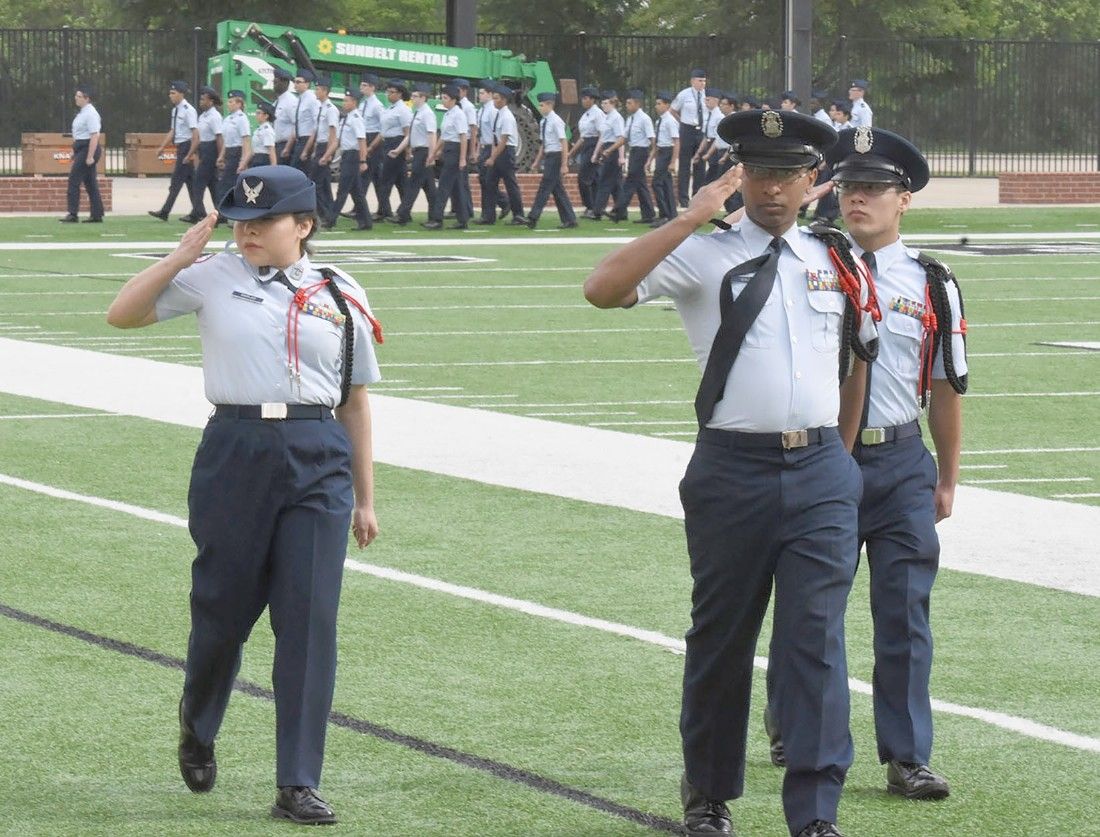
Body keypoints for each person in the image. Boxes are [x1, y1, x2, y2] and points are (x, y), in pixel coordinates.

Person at [583, 108, 880, 837]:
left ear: (813, 181)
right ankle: (708, 792)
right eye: (757, 172)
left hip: (819, 471)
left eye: (786, 174)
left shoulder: (836, 259)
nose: (770, 187)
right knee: (722, 636)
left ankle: (814, 810)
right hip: (731, 469)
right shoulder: (702, 253)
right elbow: (602, 288)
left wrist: (839, 458)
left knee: (815, 640)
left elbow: (855, 362)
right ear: (737, 176)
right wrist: (689, 218)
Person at [106, 164, 382, 827]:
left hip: (319, 459)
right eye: (241, 219)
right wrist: (179, 256)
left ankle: (298, 781)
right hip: (234, 451)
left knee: (309, 620)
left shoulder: (340, 292)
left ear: (304, 225)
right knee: (222, 613)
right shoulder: (212, 276)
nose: (248, 230)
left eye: (264, 220)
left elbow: (355, 401)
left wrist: (367, 498)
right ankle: (198, 723)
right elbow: (122, 314)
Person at [764, 127, 967, 805]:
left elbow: (944, 382)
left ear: (904, 199)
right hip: (826, 456)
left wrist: (946, 475)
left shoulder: (933, 281)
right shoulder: (811, 260)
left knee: (905, 611)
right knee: (811, 605)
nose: (858, 199)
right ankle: (796, 725)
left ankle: (908, 755)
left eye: (875, 188)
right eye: (850, 186)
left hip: (903, 458)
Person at [149, 81, 199, 222]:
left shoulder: (189, 110)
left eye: (173, 93)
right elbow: (173, 131)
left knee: (176, 182)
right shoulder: (175, 110)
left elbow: (195, 133)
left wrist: (190, 153)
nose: (170, 96)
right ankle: (198, 211)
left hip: (186, 146)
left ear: (181, 94)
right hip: (180, 147)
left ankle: (165, 211)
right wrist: (162, 147)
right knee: (191, 183)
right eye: (170, 93)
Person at [525, 91, 577, 230]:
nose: (540, 108)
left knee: (545, 187)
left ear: (550, 105)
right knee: (557, 190)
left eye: (542, 105)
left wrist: (564, 164)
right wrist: (536, 162)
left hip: (556, 156)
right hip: (549, 156)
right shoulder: (543, 122)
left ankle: (533, 216)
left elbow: (564, 142)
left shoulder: (556, 121)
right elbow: (544, 144)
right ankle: (570, 219)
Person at [477, 83, 526, 225]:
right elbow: (495, 138)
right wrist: (492, 155)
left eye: (496, 98)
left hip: (505, 153)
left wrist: (492, 157)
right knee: (489, 182)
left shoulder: (507, 117)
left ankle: (518, 215)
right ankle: (488, 216)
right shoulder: (499, 114)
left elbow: (504, 140)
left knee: (510, 184)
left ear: (504, 100)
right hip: (498, 151)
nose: (494, 101)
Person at [424, 84, 470, 230]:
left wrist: (463, 158)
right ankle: (463, 219)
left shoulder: (459, 114)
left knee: (444, 185)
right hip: (448, 149)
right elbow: (443, 137)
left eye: (445, 98)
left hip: (455, 150)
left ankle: (437, 219)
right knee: (456, 188)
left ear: (453, 100)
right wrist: (434, 152)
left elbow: (463, 137)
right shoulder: (448, 114)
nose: (443, 100)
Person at [327, 88, 372, 231]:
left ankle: (331, 219)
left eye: (346, 100)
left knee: (343, 190)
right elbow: (339, 140)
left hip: (353, 156)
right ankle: (366, 222)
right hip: (347, 155)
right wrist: (329, 154)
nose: (343, 103)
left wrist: (363, 160)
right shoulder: (346, 118)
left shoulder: (356, 118)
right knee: (357, 192)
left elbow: (361, 141)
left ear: (354, 102)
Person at [609, 89, 656, 225]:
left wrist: (650, 158)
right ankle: (649, 214)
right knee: (640, 185)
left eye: (629, 103)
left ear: (637, 103)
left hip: (641, 152)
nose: (627, 106)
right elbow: (624, 138)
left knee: (629, 182)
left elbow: (652, 139)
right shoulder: (630, 119)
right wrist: (610, 149)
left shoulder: (644, 119)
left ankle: (618, 211)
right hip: (634, 152)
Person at [395, 83, 438, 226]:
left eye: (415, 96)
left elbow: (432, 135)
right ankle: (435, 216)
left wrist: (431, 155)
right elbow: (411, 135)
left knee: (413, 184)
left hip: (424, 152)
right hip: (419, 151)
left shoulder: (427, 114)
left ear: (423, 97)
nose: (412, 98)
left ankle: (402, 214)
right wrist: (398, 149)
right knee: (430, 189)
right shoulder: (418, 112)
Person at [61, 83, 104, 223]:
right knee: (91, 183)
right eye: (76, 96)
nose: (76, 98)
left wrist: (90, 156)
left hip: (88, 149)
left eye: (79, 96)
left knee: (73, 180)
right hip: (82, 149)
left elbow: (94, 136)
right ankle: (97, 215)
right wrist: (76, 152)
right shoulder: (83, 112)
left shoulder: (91, 113)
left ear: (87, 98)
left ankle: (73, 213)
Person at [373, 79, 412, 222]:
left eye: (392, 92)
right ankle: (404, 213)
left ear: (400, 94)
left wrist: (405, 150)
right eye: (387, 91)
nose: (388, 95)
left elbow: (408, 133)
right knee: (401, 182)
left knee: (385, 180)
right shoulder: (390, 108)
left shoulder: (403, 110)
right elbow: (383, 131)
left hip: (397, 144)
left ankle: (384, 211)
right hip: (388, 143)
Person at [670, 68, 707, 207]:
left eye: (704, 81)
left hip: (701, 131)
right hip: (687, 129)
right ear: (692, 81)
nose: (702, 83)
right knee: (684, 165)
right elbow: (673, 110)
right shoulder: (684, 94)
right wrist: (682, 122)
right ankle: (683, 199)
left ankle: (697, 197)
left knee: (700, 165)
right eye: (700, 80)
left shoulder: (707, 95)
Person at [587, 90, 625, 221]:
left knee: (604, 181)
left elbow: (621, 138)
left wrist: (621, 157)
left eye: (606, 103)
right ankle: (621, 211)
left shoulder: (616, 117)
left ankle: (597, 211)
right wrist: (595, 153)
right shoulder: (607, 117)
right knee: (616, 184)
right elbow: (602, 138)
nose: (603, 105)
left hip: (613, 150)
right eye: (602, 103)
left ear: (613, 103)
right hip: (607, 149)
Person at [189, 86, 224, 223]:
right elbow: (199, 137)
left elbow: (219, 137)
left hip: (211, 150)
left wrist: (221, 156)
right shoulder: (203, 116)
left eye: (203, 99)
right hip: (204, 148)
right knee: (213, 185)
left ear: (211, 101)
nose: (201, 101)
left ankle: (200, 213)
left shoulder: (215, 116)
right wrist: (195, 153)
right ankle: (221, 213)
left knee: (197, 183)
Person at [215, 90, 251, 222]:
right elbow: (226, 141)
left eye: (231, 102)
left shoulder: (242, 119)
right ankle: (225, 214)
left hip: (237, 153)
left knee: (227, 185)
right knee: (225, 185)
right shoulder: (228, 119)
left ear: (239, 103)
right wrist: (221, 156)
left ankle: (224, 214)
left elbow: (246, 140)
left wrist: (244, 161)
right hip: (229, 152)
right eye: (228, 101)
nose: (228, 104)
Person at [309, 77, 339, 226]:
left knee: (316, 184)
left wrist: (327, 155)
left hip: (326, 148)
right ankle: (329, 214)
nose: (316, 91)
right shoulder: (321, 108)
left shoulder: (331, 110)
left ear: (325, 91)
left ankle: (325, 214)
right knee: (325, 185)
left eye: (318, 89)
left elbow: (333, 137)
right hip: (321, 147)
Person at [571, 86, 605, 213]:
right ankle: (596, 207)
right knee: (594, 179)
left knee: (583, 179)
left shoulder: (597, 114)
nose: (583, 101)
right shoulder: (586, 115)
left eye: (585, 98)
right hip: (586, 145)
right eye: (583, 98)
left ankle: (591, 206)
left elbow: (602, 135)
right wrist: (571, 153)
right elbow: (582, 137)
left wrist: (596, 152)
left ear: (592, 100)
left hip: (594, 145)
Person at [357, 73, 386, 219]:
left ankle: (359, 208)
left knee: (365, 176)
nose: (361, 88)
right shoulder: (363, 103)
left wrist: (371, 146)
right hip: (364, 138)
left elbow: (383, 129)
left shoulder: (377, 106)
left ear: (372, 87)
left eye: (364, 85)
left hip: (373, 140)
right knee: (376, 179)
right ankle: (383, 209)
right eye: (361, 85)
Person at [651, 91, 680, 226]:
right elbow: (657, 143)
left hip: (667, 152)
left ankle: (664, 214)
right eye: (656, 104)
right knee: (666, 184)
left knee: (657, 183)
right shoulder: (659, 121)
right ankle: (671, 214)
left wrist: (673, 162)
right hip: (661, 152)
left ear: (667, 105)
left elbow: (676, 142)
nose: (656, 106)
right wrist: (650, 159)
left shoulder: (670, 121)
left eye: (659, 104)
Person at [288, 69, 320, 172]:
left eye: (298, 82)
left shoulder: (312, 99)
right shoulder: (299, 99)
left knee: (296, 171)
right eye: (294, 82)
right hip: (299, 140)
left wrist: (309, 147)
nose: (295, 85)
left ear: (307, 84)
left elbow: (317, 123)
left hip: (307, 140)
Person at [272, 66, 297, 162]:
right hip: (276, 145)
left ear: (285, 83)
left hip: (286, 145)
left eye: (276, 82)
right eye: (273, 82)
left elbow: (296, 125)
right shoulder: (276, 102)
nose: (274, 85)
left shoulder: (291, 101)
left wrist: (288, 147)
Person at [249, 102, 278, 168]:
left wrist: (274, 167)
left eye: (259, 113)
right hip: (256, 158)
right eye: (256, 113)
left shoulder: (267, 130)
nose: (256, 115)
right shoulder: (259, 129)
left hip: (263, 159)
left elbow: (271, 149)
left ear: (266, 116)